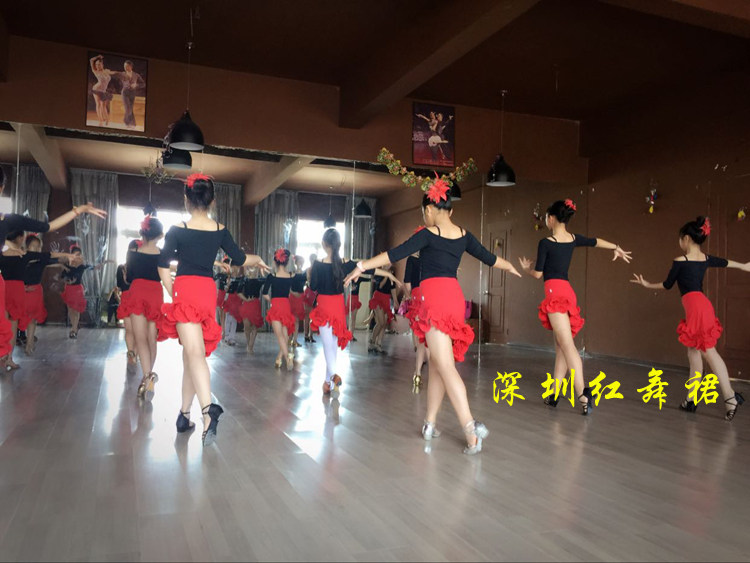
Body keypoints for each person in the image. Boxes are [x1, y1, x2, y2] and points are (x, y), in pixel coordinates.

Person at [345, 182, 521, 454]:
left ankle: (470, 428)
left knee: (445, 366)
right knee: (439, 364)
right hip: (453, 298)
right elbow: (490, 258)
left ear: (429, 209)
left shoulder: (428, 234)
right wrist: (509, 266)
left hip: (434, 301)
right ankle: (429, 424)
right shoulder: (463, 235)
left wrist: (360, 266)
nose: (424, 217)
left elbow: (394, 253)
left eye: (423, 213)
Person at [158, 173, 268, 445]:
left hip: (186, 288)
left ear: (186, 199)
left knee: (194, 353)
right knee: (191, 354)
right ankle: (184, 415)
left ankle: (208, 410)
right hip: (207, 291)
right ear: (212, 201)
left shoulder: (177, 229)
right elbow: (240, 258)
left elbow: (162, 264)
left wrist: (173, 292)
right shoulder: (219, 229)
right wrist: (258, 259)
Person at [519, 199, 632, 415]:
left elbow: (538, 274)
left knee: (567, 346)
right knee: (561, 346)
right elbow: (595, 241)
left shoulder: (546, 242)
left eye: (546, 217)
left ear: (552, 218)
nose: (546, 220)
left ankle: (583, 393)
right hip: (567, 292)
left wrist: (526, 269)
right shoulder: (572, 239)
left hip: (554, 293)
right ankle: (554, 395)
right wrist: (616, 247)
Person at [631, 216, 750, 420]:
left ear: (686, 238)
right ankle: (691, 400)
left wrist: (647, 285)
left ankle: (730, 397)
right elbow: (725, 262)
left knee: (708, 353)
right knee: (694, 355)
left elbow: (667, 285)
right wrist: (743, 266)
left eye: (680, 238)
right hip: (700, 307)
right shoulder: (705, 259)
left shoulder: (680, 261)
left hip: (697, 310)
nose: (680, 242)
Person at [0, 168, 106, 369]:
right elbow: (49, 227)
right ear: (2, 188)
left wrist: (78, 211)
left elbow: (47, 228)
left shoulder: (8, 221)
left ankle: (9, 356)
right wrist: (79, 210)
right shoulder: (8, 221)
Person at [310, 228, 399, 397]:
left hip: (324, 306)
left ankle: (333, 375)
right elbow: (368, 269)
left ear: (323, 244)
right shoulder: (345, 263)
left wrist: (311, 274)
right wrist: (389, 275)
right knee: (332, 346)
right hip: (337, 306)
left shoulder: (318, 264)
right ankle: (328, 382)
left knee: (328, 345)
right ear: (339, 244)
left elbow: (313, 287)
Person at [118, 216, 164, 401]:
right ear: (160, 235)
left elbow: (129, 277)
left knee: (141, 338)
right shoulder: (162, 254)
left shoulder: (133, 253)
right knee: (152, 338)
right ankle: (148, 377)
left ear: (142, 233)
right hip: (156, 293)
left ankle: (147, 377)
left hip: (138, 292)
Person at [22, 234, 79, 355]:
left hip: (35, 291)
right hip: (21, 291)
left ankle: (29, 342)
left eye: (39, 247)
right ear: (26, 247)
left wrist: (65, 261)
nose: (37, 249)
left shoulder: (41, 260)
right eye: (34, 246)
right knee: (21, 318)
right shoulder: (22, 258)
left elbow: (52, 260)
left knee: (33, 319)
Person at [263, 248, 296, 370]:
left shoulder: (272, 276)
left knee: (280, 335)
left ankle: (287, 357)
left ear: (275, 262)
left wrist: (271, 301)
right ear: (286, 262)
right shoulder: (291, 276)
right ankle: (279, 357)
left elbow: (264, 293)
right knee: (285, 335)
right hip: (286, 305)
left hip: (276, 305)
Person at [403, 244, 429, 387]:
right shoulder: (431, 259)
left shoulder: (412, 260)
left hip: (417, 296)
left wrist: (409, 296)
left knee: (420, 337)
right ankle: (430, 374)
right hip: (430, 295)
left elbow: (407, 283)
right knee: (429, 337)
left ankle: (417, 374)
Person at [117, 239, 140, 366]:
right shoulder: (122, 268)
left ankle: (134, 354)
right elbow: (120, 285)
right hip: (129, 298)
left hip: (136, 298)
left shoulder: (141, 267)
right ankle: (132, 353)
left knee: (135, 330)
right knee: (132, 330)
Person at [60, 246, 92, 339]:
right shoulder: (66, 265)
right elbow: (62, 278)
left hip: (77, 289)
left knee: (76, 309)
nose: (77, 256)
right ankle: (74, 326)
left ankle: (74, 329)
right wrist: (68, 281)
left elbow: (93, 267)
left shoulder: (82, 266)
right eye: (75, 254)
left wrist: (102, 263)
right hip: (68, 289)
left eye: (79, 254)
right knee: (70, 309)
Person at [367, 267, 399, 354]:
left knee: (384, 324)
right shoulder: (379, 272)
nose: (389, 264)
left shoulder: (392, 272)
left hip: (386, 298)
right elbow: (380, 286)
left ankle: (379, 344)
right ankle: (372, 342)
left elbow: (392, 287)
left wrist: (395, 301)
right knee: (380, 322)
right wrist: (387, 275)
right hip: (378, 297)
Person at [237, 266, 264, 354]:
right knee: (247, 326)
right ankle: (248, 343)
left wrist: (262, 272)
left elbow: (267, 279)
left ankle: (251, 345)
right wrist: (246, 299)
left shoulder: (259, 280)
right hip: (247, 304)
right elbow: (238, 292)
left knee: (255, 327)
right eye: (250, 268)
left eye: (255, 268)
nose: (253, 269)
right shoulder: (244, 280)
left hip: (256, 304)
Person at [114, 60, 145, 129]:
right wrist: (106, 72)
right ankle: (126, 121)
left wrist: (136, 85)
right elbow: (114, 73)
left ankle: (133, 124)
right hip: (125, 92)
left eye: (127, 66)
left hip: (132, 93)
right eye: (124, 66)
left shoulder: (136, 75)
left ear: (131, 66)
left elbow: (143, 84)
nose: (125, 67)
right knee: (128, 108)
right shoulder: (122, 74)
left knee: (130, 108)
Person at [222, 263, 243, 346]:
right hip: (230, 298)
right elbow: (226, 289)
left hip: (237, 299)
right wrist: (228, 285)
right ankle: (227, 336)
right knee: (228, 318)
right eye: (234, 267)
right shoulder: (228, 277)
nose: (236, 268)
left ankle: (232, 338)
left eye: (237, 267)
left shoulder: (240, 278)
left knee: (234, 319)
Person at [89, 54, 113, 126]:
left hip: (103, 90)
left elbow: (113, 73)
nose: (97, 66)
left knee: (104, 105)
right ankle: (100, 121)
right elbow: (91, 60)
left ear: (102, 65)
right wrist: (98, 57)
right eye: (96, 65)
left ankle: (107, 119)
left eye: (99, 64)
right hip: (96, 89)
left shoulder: (106, 71)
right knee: (98, 104)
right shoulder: (95, 71)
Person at [289, 255, 307, 348]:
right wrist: (293, 293)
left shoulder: (304, 274)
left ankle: (295, 340)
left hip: (300, 297)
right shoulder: (291, 273)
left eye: (302, 262)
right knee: (291, 319)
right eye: (300, 262)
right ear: (296, 263)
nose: (301, 263)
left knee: (296, 319)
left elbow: (307, 284)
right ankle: (289, 338)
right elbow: (287, 286)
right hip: (292, 297)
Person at [303, 253, 318, 342]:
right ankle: (306, 335)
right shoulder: (308, 269)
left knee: (313, 315)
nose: (314, 260)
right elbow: (308, 280)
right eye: (312, 259)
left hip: (316, 293)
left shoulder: (318, 269)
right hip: (309, 292)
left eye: (315, 259)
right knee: (307, 315)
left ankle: (311, 335)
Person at [215, 257, 230, 335]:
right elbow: (213, 281)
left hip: (228, 294)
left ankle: (225, 331)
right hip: (220, 293)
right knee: (221, 313)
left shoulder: (230, 275)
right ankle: (222, 330)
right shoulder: (219, 275)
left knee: (227, 313)